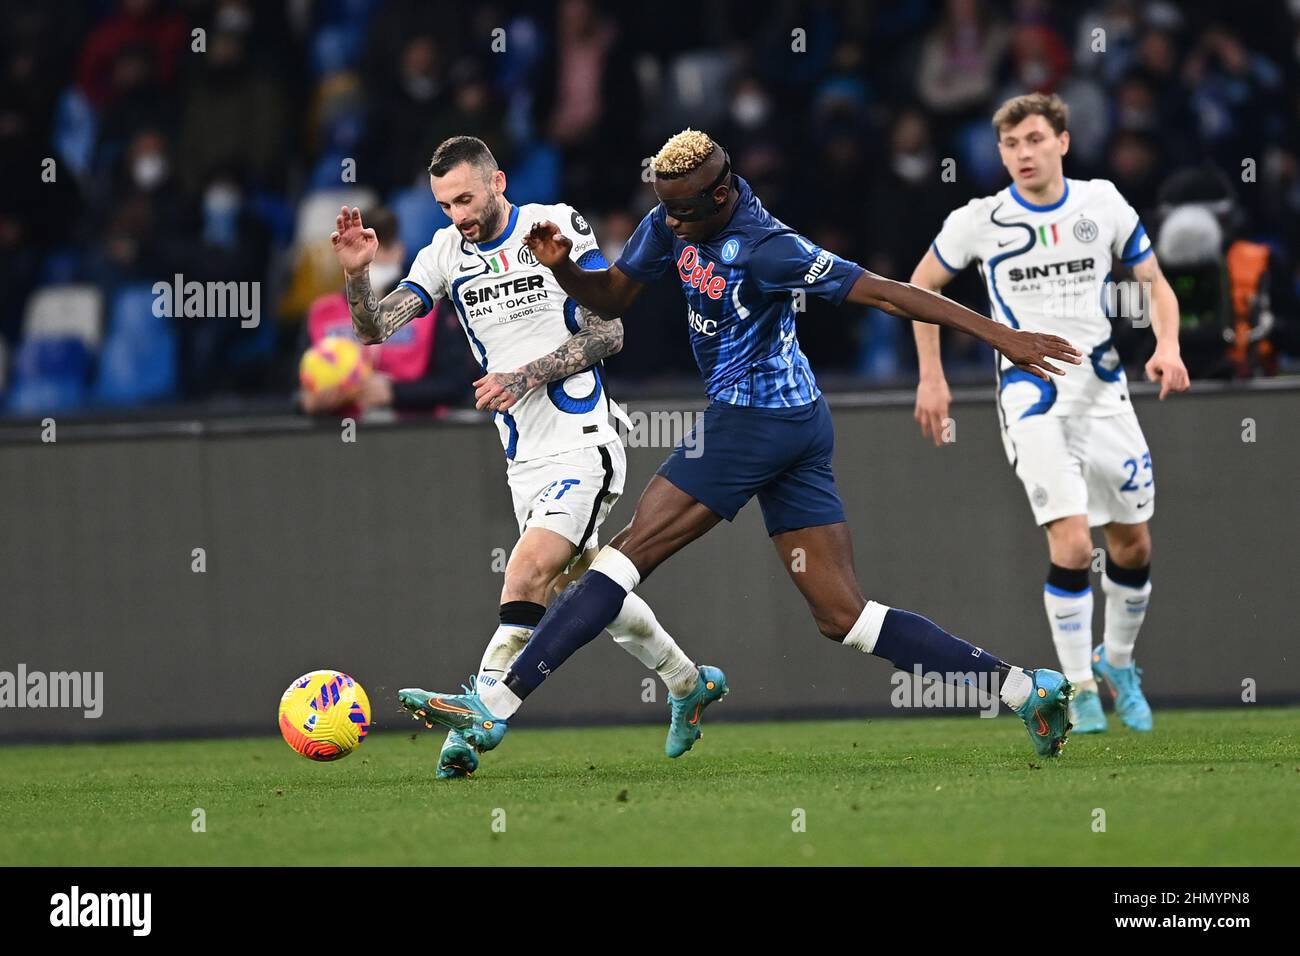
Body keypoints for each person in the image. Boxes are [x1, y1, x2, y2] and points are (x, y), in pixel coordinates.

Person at [401, 128, 1087, 764]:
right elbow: (613, 297)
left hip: (754, 421)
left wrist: (1004, 336)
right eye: (662, 210)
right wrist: (565, 272)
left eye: (681, 214)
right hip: (796, 420)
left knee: (622, 557)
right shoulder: (672, 215)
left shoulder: (769, 247)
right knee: (843, 616)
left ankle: (495, 702)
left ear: (722, 195)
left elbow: (887, 295)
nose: (669, 224)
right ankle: (1026, 690)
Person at [329, 136, 719, 778]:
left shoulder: (553, 225)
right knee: (590, 590)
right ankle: (687, 683)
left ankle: (479, 715)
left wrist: (524, 375)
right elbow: (374, 331)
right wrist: (355, 273)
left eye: (465, 198)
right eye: (445, 204)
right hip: (523, 459)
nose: (458, 215)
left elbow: (610, 332)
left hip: (585, 443)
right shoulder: (444, 254)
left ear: (497, 181)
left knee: (527, 571)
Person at [908, 93, 1190, 734]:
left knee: (1132, 541)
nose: (1022, 154)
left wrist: (1167, 346)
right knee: (1069, 542)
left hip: (1104, 393)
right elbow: (919, 288)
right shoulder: (980, 219)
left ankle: (1116, 662)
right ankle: (1081, 690)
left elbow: (1155, 283)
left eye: (1034, 139)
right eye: (1010, 145)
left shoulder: (1103, 203)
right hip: (1032, 400)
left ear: (1062, 141)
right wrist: (933, 375)